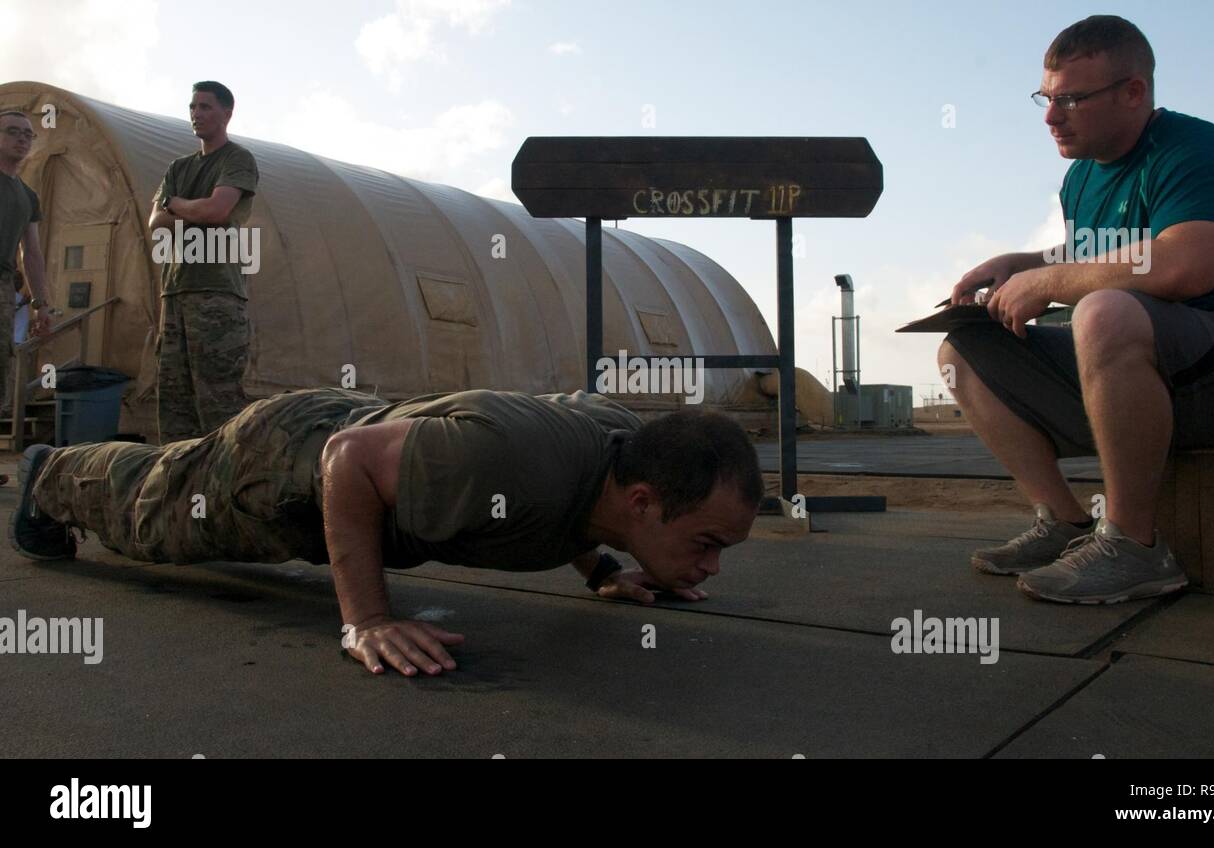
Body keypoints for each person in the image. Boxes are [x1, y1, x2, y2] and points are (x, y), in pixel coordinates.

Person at [9, 387, 762, 676]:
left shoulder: (617, 459)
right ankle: (46, 473)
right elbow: (349, 461)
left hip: (357, 436)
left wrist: (602, 570)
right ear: (642, 501)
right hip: (292, 465)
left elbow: (560, 505)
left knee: (168, 476)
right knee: (152, 515)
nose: (712, 569)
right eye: (706, 544)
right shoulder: (517, 461)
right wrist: (366, 619)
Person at [939, 15, 1214, 604]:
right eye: (1046, 99)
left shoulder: (1197, 150)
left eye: (1072, 100)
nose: (1051, 117)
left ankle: (1135, 545)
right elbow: (1105, 255)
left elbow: (1187, 264)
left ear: (1134, 92)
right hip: (1159, 374)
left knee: (1105, 311)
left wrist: (1050, 279)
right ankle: (1063, 522)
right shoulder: (1080, 178)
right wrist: (1024, 261)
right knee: (966, 349)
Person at [148, 81, 259, 444]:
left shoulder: (237, 159)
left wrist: (176, 204)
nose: (196, 114)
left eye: (206, 107)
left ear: (227, 113)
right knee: (174, 401)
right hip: (175, 292)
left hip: (217, 293)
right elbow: (155, 223)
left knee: (218, 400)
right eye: (193, 107)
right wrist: (189, 210)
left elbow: (217, 210)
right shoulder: (177, 168)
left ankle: (223, 485)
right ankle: (179, 484)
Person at [0, 110, 54, 417]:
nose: (21, 138)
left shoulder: (27, 196)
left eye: (27, 134)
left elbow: (31, 252)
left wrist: (41, 304)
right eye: (12, 131)